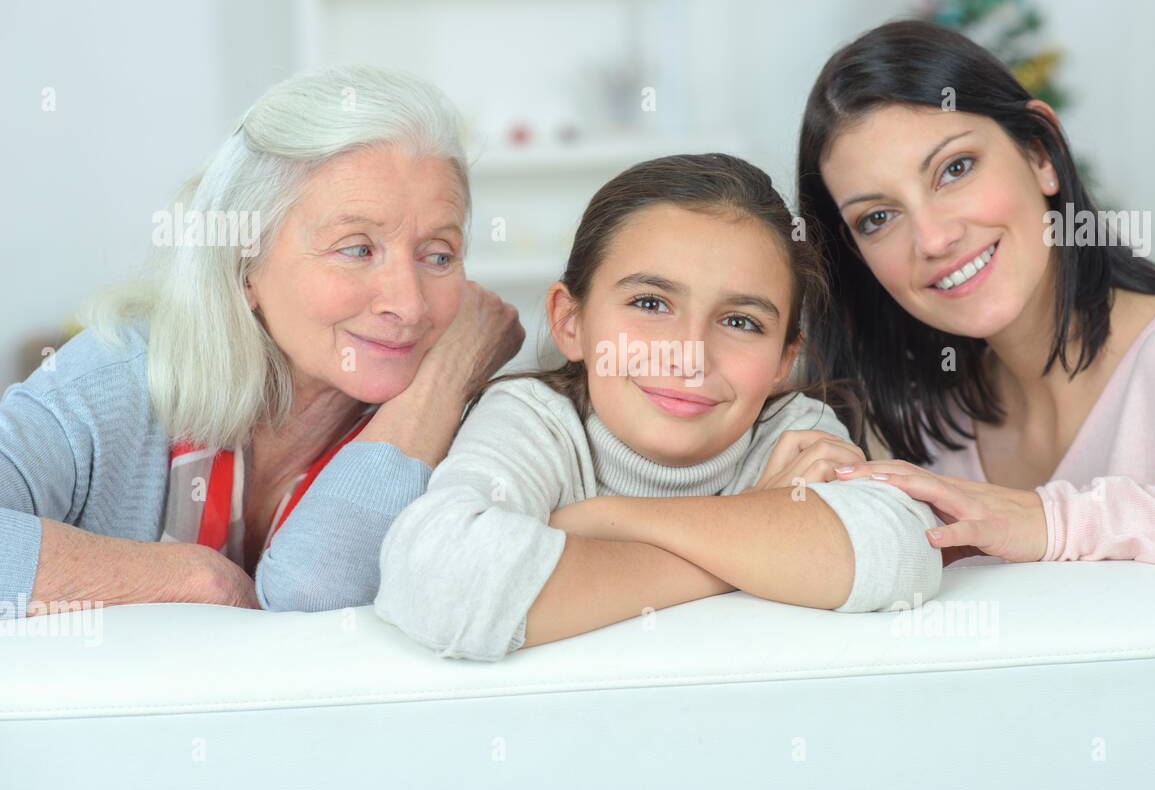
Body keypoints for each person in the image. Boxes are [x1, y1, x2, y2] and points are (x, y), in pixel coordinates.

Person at [0, 64, 523, 618]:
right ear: (245, 264)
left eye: (438, 255)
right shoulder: (110, 383)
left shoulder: (463, 416)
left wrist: (438, 387)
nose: (410, 303)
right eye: (356, 248)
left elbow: (309, 595)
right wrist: (196, 579)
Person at [374, 153, 942, 661]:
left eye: (741, 321)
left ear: (782, 360)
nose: (690, 357)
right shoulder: (533, 418)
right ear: (571, 322)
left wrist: (603, 523)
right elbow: (441, 581)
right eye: (650, 303)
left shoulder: (792, 429)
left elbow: (904, 554)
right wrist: (753, 534)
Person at [795, 19, 1155, 569]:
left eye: (954, 169)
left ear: (1041, 153)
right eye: (879, 218)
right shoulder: (931, 417)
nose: (933, 239)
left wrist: (1053, 521)